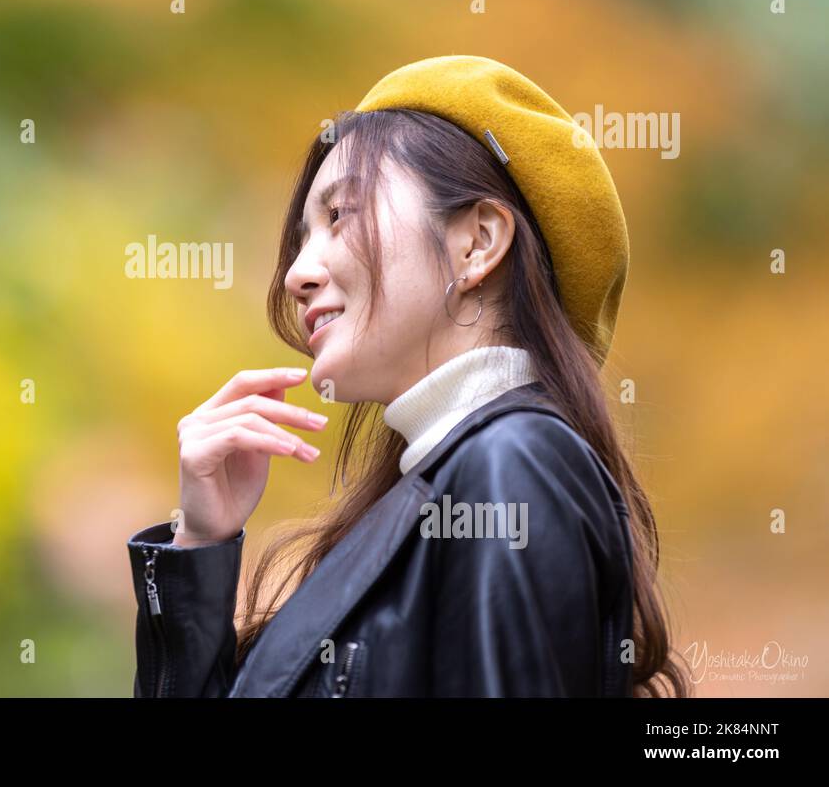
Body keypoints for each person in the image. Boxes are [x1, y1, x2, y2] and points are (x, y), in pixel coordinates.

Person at [126, 55, 689, 697]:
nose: (296, 274)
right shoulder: (427, 500)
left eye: (339, 216)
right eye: (303, 237)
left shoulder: (511, 466)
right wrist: (200, 549)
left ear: (476, 243)